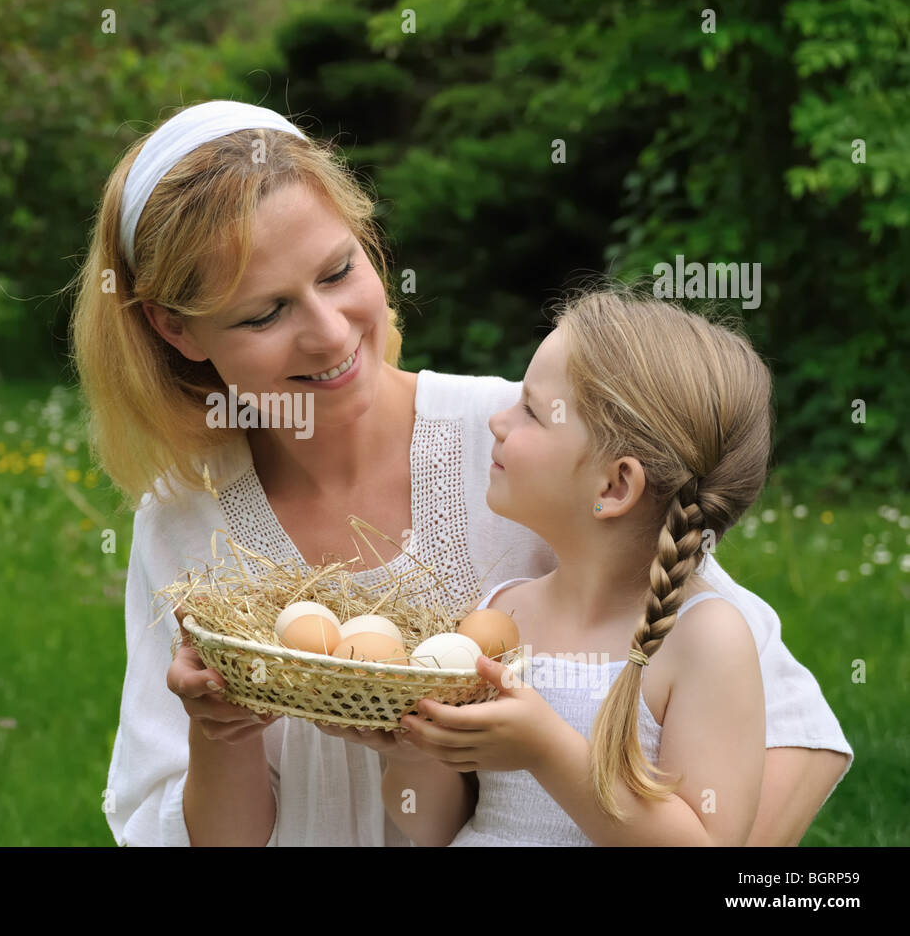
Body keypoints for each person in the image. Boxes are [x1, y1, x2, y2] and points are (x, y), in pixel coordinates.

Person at [68, 100, 854, 846]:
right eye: (265, 313)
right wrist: (219, 731)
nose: (330, 333)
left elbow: (796, 733)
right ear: (176, 328)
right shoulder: (187, 517)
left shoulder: (529, 446)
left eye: (339, 271)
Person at [382, 288, 785, 846]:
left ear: (615, 486)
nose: (498, 421)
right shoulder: (503, 611)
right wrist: (415, 747)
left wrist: (547, 750)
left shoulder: (705, 639)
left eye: (530, 410)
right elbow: (433, 828)